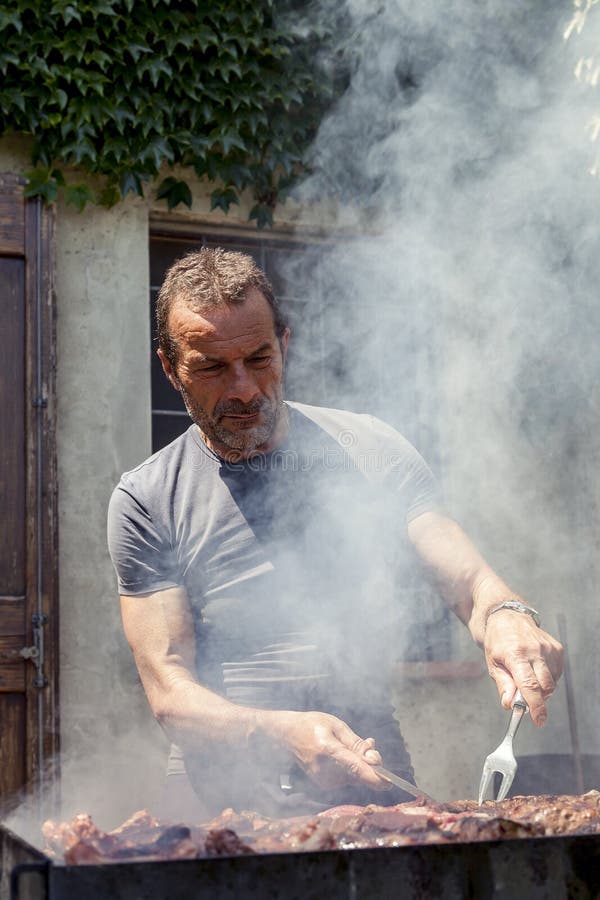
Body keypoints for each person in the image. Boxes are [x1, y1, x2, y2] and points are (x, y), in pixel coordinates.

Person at [107, 248, 563, 820]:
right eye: (213, 367)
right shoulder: (148, 498)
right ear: (171, 369)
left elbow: (469, 581)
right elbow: (170, 691)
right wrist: (282, 734)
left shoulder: (371, 452)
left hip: (375, 781)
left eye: (259, 357)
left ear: (285, 345)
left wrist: (506, 614)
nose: (244, 388)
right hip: (218, 810)